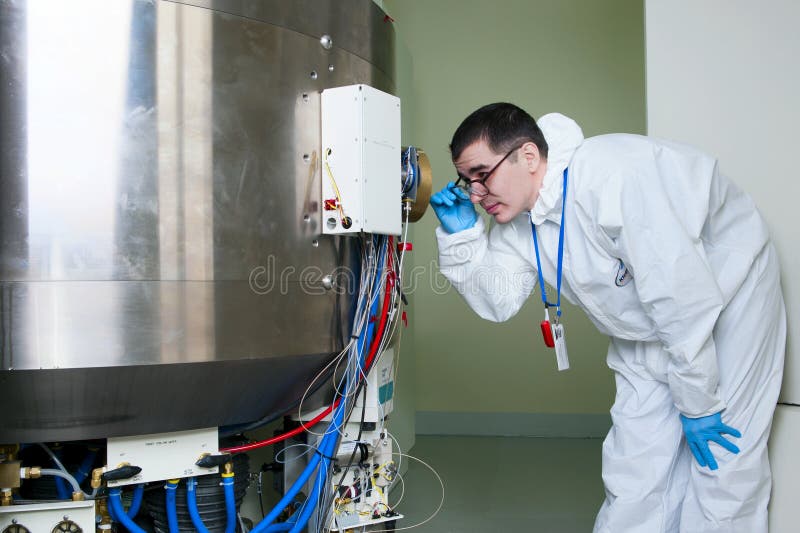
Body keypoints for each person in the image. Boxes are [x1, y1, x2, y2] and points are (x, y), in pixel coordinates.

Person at [431, 103, 786, 533]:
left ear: (527, 156)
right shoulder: (519, 221)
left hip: (729, 297)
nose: (475, 195)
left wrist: (698, 403)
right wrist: (463, 238)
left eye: (482, 174)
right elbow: (498, 300)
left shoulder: (612, 175)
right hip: (641, 327)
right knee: (634, 470)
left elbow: (680, 297)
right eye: (466, 181)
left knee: (722, 466)